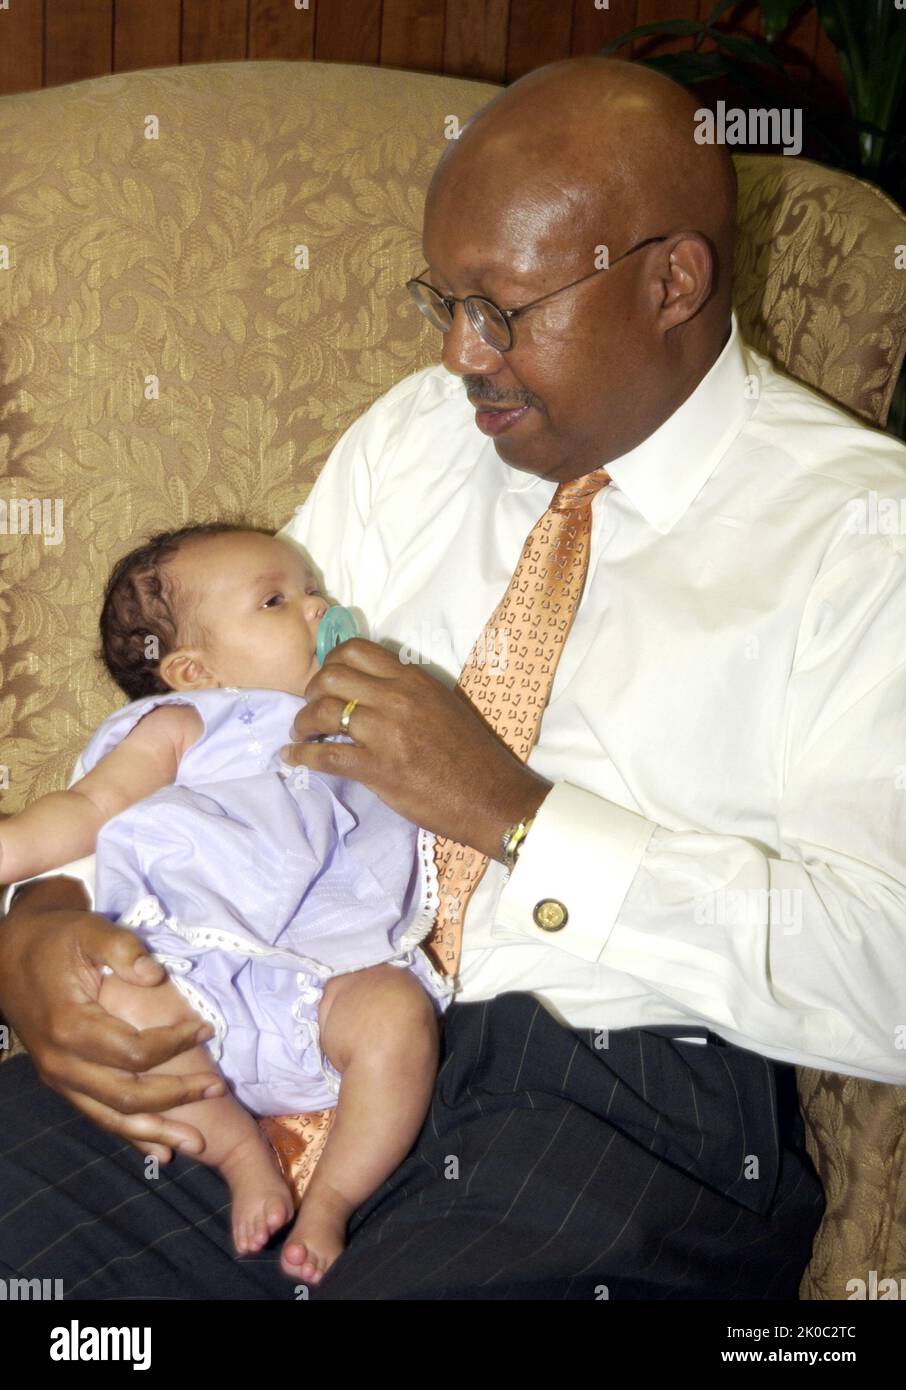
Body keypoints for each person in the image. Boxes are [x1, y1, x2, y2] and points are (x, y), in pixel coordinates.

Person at [1, 53, 904, 1300]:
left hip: (606, 1082)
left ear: (671, 281)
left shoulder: (865, 542)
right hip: (267, 1009)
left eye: (501, 308)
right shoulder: (420, 439)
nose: (459, 355)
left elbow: (888, 969)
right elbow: (211, 724)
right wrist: (40, 924)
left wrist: (515, 816)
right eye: (444, 301)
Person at [0, 521, 453, 1284]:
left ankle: (332, 1202)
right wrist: (12, 848)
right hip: (188, 970)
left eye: (316, 592)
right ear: (193, 669)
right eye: (277, 601)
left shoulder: (365, 719)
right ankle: (243, 1155)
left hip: (320, 985)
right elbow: (89, 809)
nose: (318, 609)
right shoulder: (189, 724)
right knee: (122, 1002)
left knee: (398, 1015)